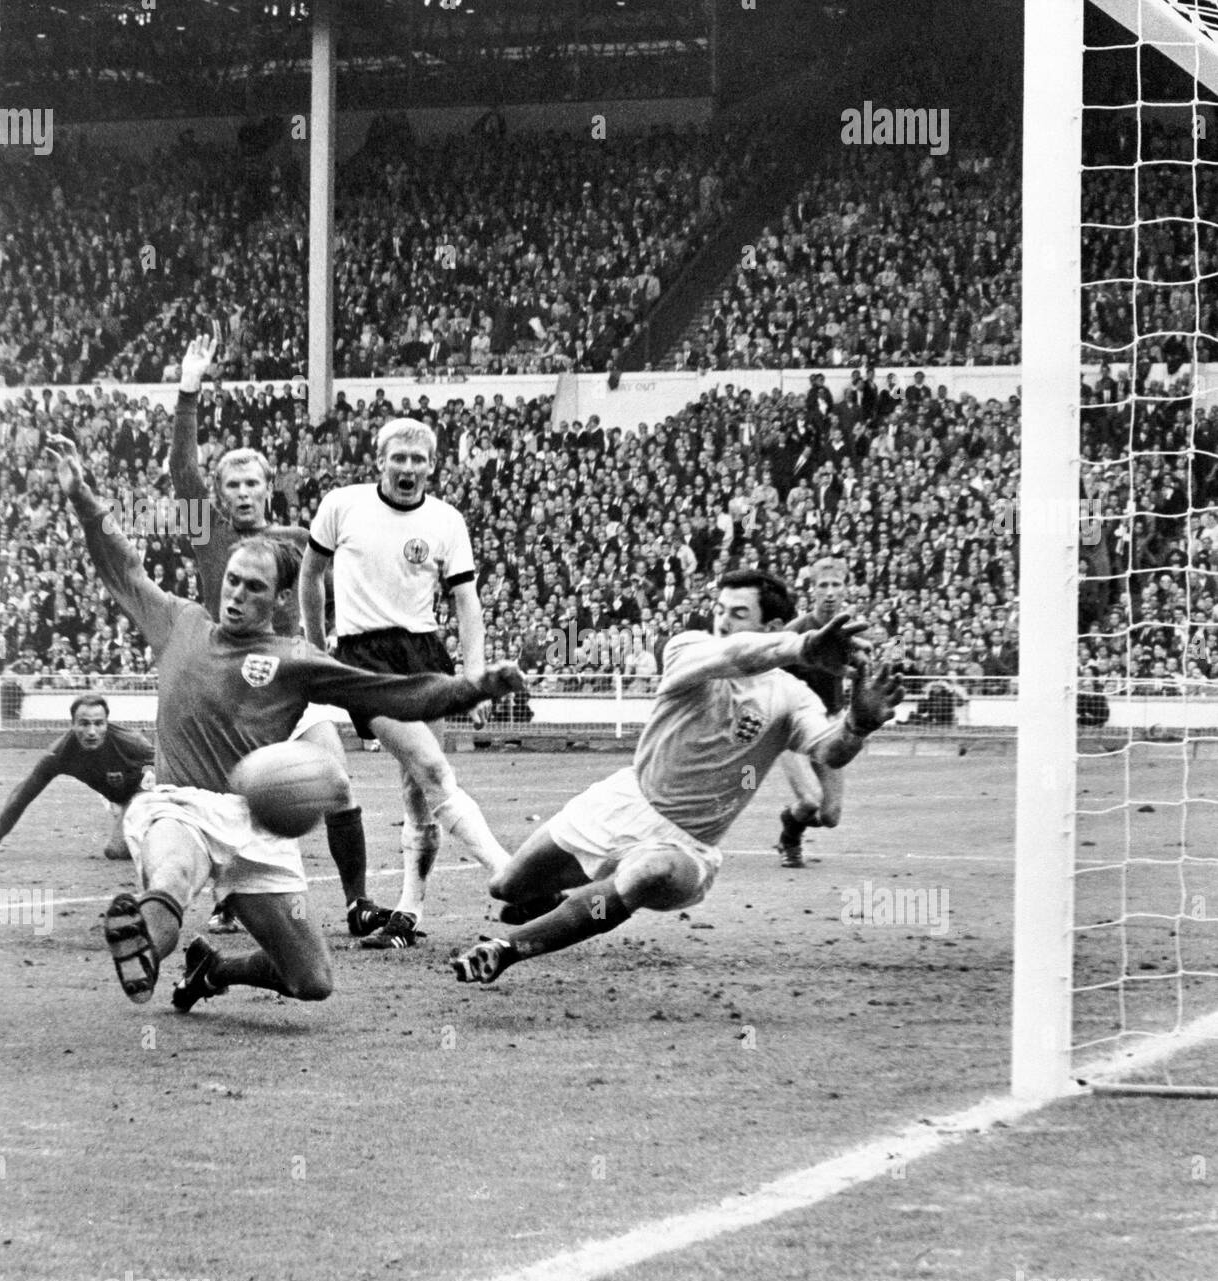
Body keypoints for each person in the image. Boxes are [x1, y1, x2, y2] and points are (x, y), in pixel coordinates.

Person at [46, 432, 522, 1013]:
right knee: (171, 874)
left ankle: (216, 965)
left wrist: (471, 687)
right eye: (232, 583)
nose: (236, 595)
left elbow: (398, 695)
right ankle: (142, 940)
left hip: (256, 828)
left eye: (253, 588)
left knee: (312, 979)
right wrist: (83, 501)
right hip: (179, 805)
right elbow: (122, 567)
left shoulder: (298, 661)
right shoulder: (179, 623)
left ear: (277, 601)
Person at [450, 570, 902, 985]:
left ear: (773, 625)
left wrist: (857, 725)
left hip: (686, 846)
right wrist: (800, 647)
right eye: (720, 610)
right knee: (506, 886)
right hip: (624, 802)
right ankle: (568, 907)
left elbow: (829, 751)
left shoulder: (791, 696)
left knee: (648, 871)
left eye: (739, 614)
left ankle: (509, 949)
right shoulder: (690, 648)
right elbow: (736, 652)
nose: (722, 622)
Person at [169, 335, 394, 942]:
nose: (242, 493)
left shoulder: (298, 537)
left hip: (294, 680)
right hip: (235, 688)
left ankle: (359, 904)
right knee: (239, 793)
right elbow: (180, 473)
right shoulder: (206, 535)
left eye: (251, 484)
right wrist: (190, 390)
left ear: (269, 487)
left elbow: (333, 579)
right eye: (231, 486)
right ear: (219, 496)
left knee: (339, 782)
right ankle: (232, 896)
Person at [300, 415, 511, 948]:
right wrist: (316, 639)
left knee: (418, 792)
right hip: (364, 658)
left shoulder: (446, 520)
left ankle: (408, 912)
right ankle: (512, 877)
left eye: (418, 460)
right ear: (380, 460)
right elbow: (310, 574)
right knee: (435, 769)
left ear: (432, 466)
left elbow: (467, 602)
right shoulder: (342, 505)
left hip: (423, 653)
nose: (408, 467)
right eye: (399, 457)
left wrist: (473, 674)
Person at [0, 695, 154, 862]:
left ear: (106, 723)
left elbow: (155, 759)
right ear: (73, 724)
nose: (92, 732)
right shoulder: (59, 754)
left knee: (115, 850)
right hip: (115, 797)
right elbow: (22, 796)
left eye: (99, 723)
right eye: (84, 724)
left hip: (144, 792)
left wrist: (147, 776)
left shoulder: (131, 740)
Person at [775, 557, 852, 868]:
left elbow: (863, 672)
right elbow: (769, 677)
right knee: (810, 801)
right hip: (791, 727)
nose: (830, 592)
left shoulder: (850, 630)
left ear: (846, 589)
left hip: (829, 724)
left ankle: (789, 820)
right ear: (812, 591)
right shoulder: (796, 630)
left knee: (830, 816)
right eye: (823, 586)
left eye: (836, 585)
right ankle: (790, 841)